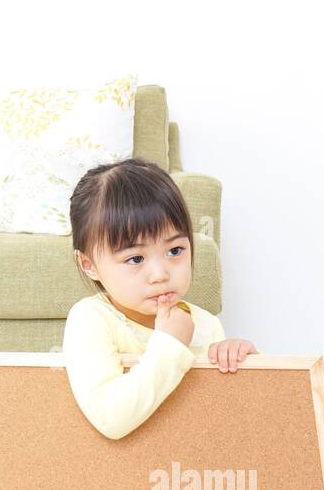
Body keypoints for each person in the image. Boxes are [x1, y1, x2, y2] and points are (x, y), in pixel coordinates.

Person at [63, 157, 257, 440]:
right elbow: (110, 419)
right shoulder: (91, 320)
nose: (160, 274)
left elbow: (223, 418)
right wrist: (170, 344)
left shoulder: (204, 324)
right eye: (135, 258)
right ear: (89, 264)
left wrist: (242, 362)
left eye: (175, 251)